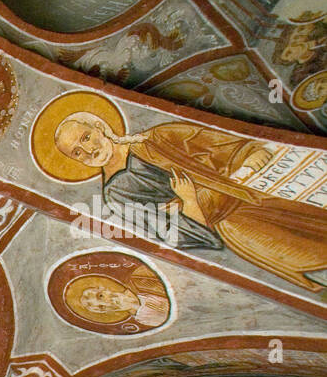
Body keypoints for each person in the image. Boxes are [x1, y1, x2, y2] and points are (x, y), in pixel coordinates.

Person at [55, 112, 327, 291]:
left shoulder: (157, 138)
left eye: (86, 137)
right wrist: (190, 200)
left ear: (100, 127)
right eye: (77, 152)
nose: (89, 150)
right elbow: (179, 234)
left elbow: (215, 143)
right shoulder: (116, 196)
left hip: (253, 188)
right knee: (302, 252)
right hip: (231, 222)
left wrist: (244, 153)